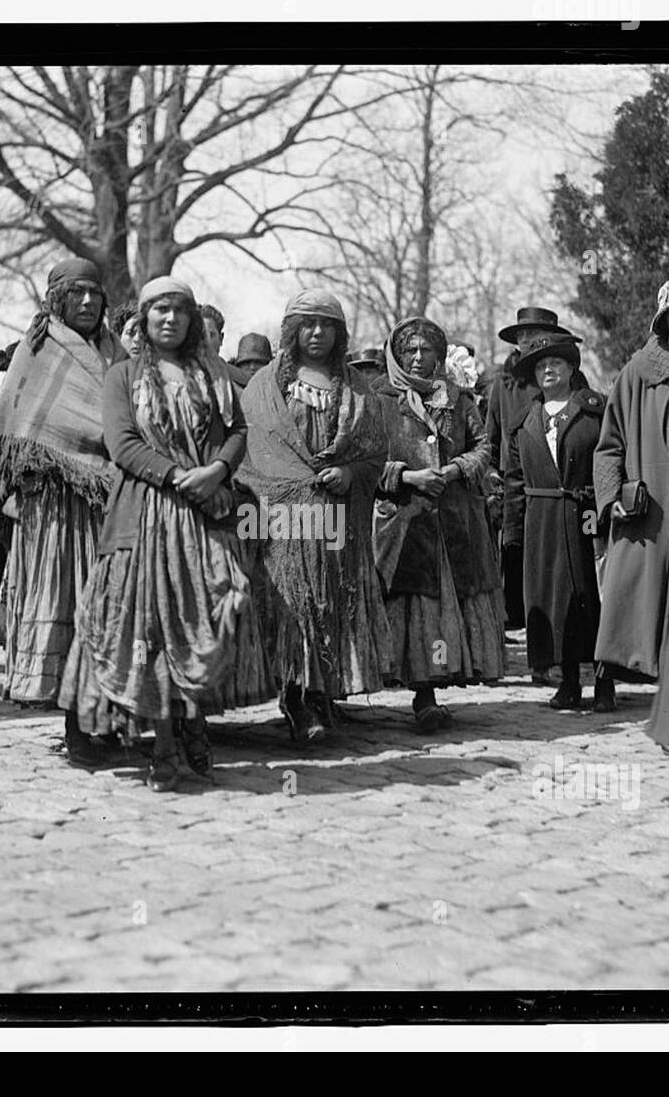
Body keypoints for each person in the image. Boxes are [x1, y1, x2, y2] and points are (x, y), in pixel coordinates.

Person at [60, 277, 252, 792]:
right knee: (150, 626)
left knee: (204, 616)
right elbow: (121, 443)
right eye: (159, 311)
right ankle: (162, 745)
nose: (169, 319)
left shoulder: (210, 373)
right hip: (143, 513)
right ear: (143, 320)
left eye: (179, 311)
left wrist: (215, 471)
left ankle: (195, 725)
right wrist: (174, 475)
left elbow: (238, 431)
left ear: (191, 320)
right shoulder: (123, 376)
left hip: (201, 515)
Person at [0, 258, 127, 720]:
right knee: (60, 588)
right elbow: (16, 425)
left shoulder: (116, 353)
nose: (86, 302)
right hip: (52, 500)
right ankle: (57, 691)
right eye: (76, 293)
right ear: (57, 299)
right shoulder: (36, 348)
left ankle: (100, 693)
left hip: (107, 494)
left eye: (94, 294)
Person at [238, 289, 392, 741]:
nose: (317, 333)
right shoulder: (266, 387)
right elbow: (251, 455)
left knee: (331, 602)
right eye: (308, 324)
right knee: (294, 604)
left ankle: (325, 689)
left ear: (340, 334)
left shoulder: (357, 390)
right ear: (292, 331)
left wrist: (349, 472)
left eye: (326, 325)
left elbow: (374, 454)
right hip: (283, 519)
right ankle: (295, 693)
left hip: (339, 517)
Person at [373, 316, 504, 730]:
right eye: (409, 350)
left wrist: (455, 470)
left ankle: (437, 682)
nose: (416, 358)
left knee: (448, 604)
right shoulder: (379, 400)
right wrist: (407, 477)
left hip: (453, 522)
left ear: (439, 355)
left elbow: (484, 446)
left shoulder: (458, 399)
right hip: (405, 521)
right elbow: (365, 460)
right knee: (415, 605)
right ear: (396, 354)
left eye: (425, 351)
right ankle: (422, 695)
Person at [592, 275, 669, 701]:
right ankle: (617, 681)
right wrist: (611, 499)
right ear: (663, 319)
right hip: (653, 510)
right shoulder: (636, 374)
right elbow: (609, 446)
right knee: (641, 605)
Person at [501, 330, 610, 709]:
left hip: (585, 513)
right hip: (542, 519)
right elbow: (513, 479)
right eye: (542, 366)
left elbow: (612, 459)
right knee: (553, 599)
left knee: (591, 594)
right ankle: (567, 683)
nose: (549, 370)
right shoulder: (523, 422)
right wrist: (512, 529)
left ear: (570, 368)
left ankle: (604, 682)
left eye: (556, 363)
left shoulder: (595, 411)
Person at [488, 308, 590, 641]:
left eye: (535, 333)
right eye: (523, 335)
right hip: (520, 485)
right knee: (530, 570)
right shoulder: (501, 386)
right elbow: (490, 440)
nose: (528, 340)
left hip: (569, 486)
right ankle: (543, 652)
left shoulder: (574, 384)